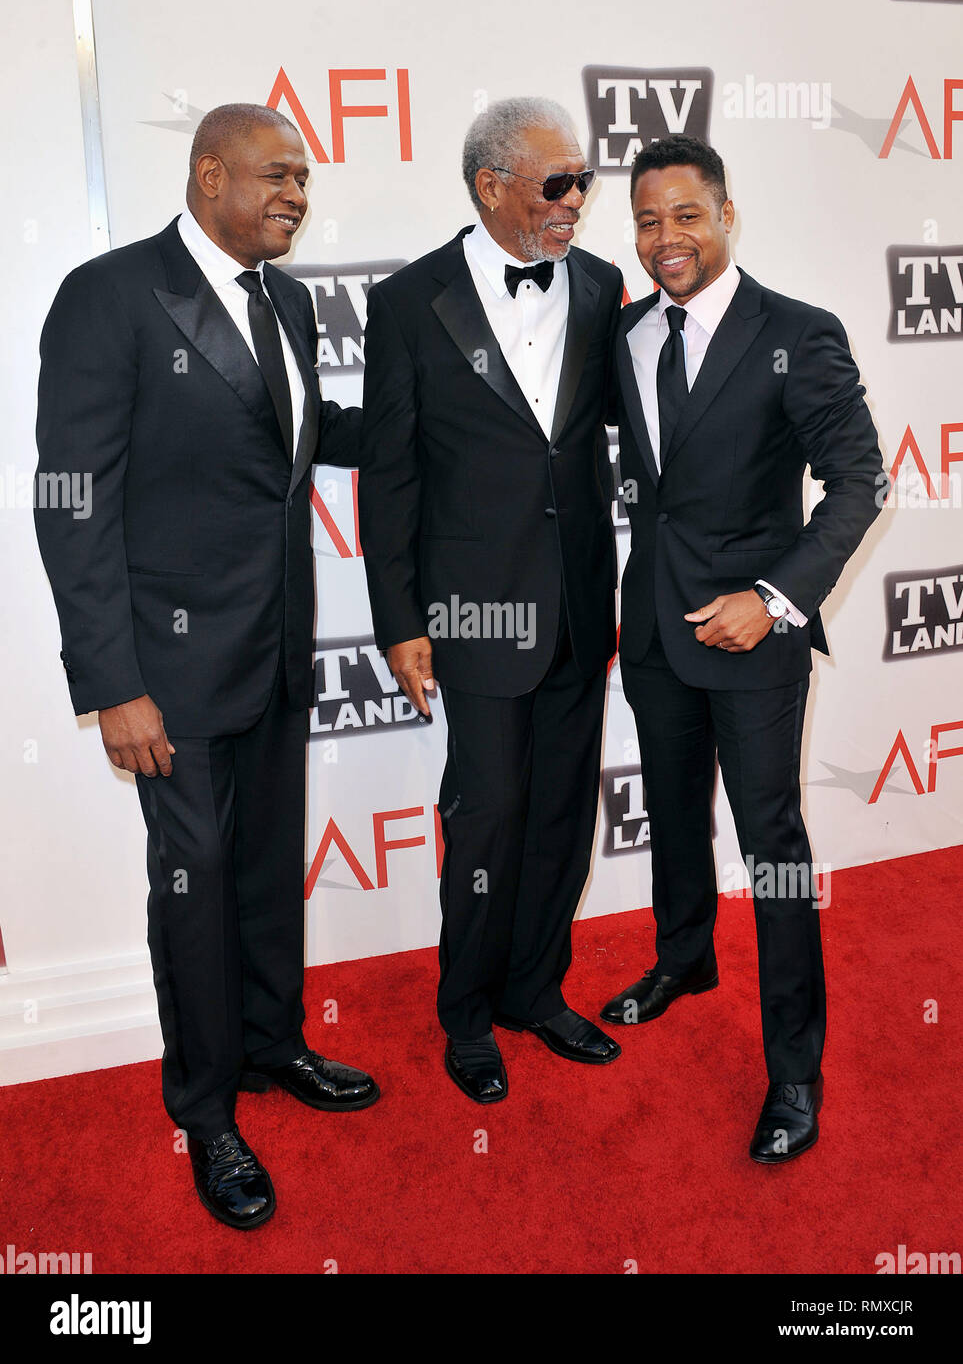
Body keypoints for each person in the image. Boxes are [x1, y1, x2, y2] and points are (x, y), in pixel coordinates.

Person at [35, 103, 379, 1229]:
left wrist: (439, 417)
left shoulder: (289, 296)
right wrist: (112, 682)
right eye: (277, 176)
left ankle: (275, 1045)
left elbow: (301, 434)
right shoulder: (110, 295)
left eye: (304, 182)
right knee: (192, 889)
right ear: (208, 171)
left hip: (278, 651)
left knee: (267, 868)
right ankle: (208, 1109)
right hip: (167, 676)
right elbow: (70, 503)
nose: (295, 196)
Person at [601, 134, 883, 1163]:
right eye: (645, 219)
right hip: (655, 633)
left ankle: (795, 1074)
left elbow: (860, 481)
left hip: (754, 640)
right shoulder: (624, 335)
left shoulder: (798, 335)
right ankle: (683, 959)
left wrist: (775, 598)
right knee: (673, 814)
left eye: (684, 214)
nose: (665, 237)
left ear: (726, 214)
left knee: (772, 851)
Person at [358, 97, 623, 1103]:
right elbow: (388, 475)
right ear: (491, 185)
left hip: (579, 601)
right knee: (490, 813)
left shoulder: (600, 287)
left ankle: (535, 989)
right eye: (559, 183)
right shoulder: (408, 301)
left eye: (583, 180)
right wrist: (399, 620)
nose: (577, 201)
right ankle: (466, 1012)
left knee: (561, 809)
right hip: (471, 609)